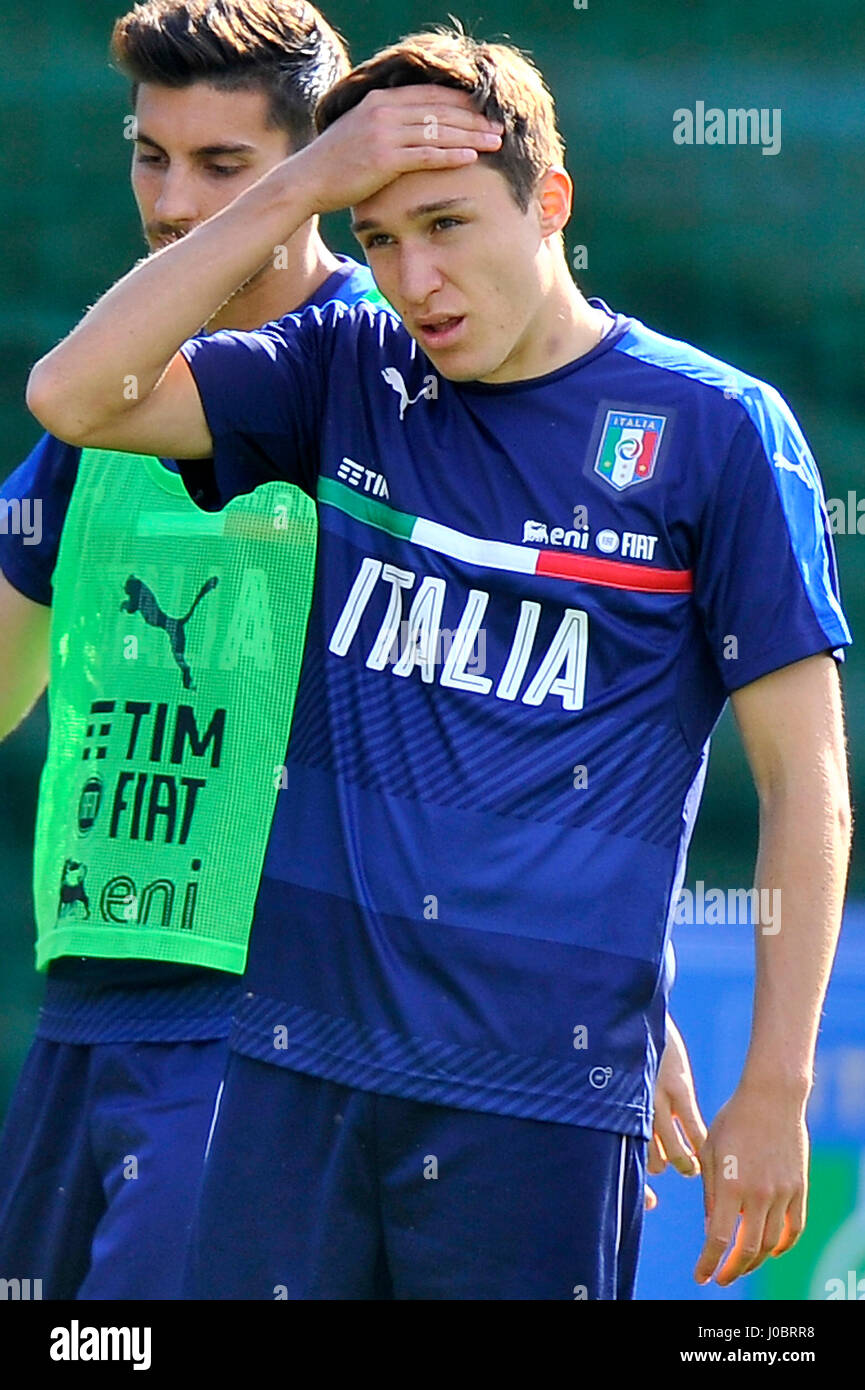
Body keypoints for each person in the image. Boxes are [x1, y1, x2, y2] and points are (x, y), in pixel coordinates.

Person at [27, 29, 812, 1300]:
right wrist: (292, 190)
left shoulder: (716, 429)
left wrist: (773, 1085)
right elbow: (76, 396)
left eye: (446, 225)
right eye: (379, 240)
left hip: (540, 1095)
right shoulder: (341, 369)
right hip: (291, 1072)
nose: (415, 279)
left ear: (548, 202)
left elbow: (805, 780)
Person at [0, 0, 387, 1300]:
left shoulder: (400, 388)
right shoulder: (93, 411)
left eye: (224, 167)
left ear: (319, 165)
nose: (172, 204)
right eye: (150, 155)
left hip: (275, 1019)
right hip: (86, 1009)